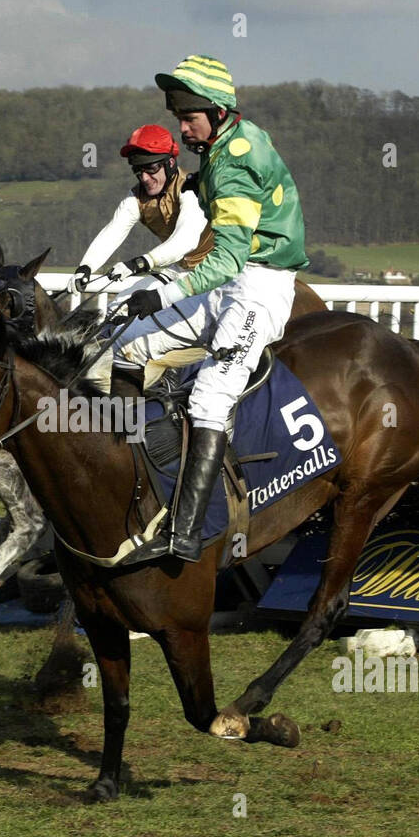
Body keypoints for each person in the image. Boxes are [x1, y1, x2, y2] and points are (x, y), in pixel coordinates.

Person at [118, 55, 311, 565]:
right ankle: (138, 469)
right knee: (130, 344)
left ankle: (187, 534)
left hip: (259, 289)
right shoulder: (225, 144)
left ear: (220, 111)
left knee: (208, 396)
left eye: (189, 117)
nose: (181, 128)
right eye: (178, 115)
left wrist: (162, 293)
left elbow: (225, 258)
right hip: (232, 282)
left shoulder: (236, 157)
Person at [68, 124, 214, 302]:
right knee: (120, 308)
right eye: (138, 170)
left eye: (151, 168)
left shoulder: (191, 188)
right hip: (180, 270)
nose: (144, 178)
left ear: (170, 162)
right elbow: (113, 232)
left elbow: (185, 241)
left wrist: (141, 262)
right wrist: (86, 267)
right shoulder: (136, 196)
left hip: (218, 271)